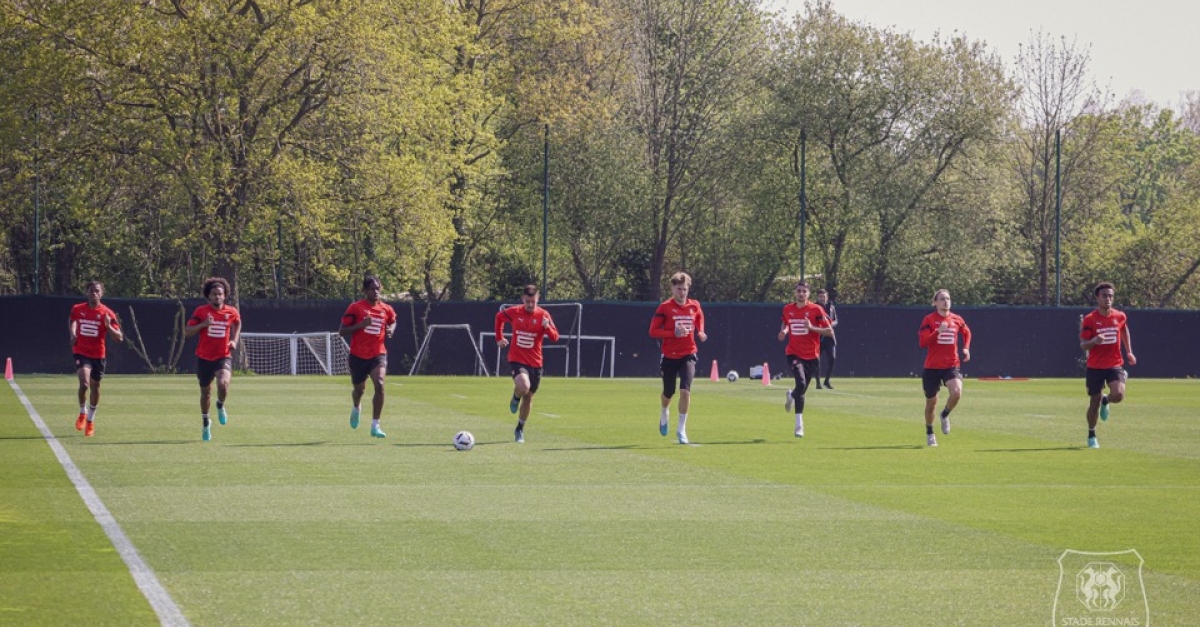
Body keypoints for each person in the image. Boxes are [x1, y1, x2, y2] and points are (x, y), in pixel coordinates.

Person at [495, 284, 559, 443]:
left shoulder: (544, 315)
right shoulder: (515, 312)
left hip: (536, 362)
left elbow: (555, 337)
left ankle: (519, 429)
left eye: (533, 302)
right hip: (517, 359)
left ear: (538, 299)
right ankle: (516, 396)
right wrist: (499, 338)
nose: (530, 305)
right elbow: (499, 318)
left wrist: (547, 328)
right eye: (527, 301)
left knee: (529, 398)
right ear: (523, 299)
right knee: (523, 386)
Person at [649, 272, 707, 444]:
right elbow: (653, 331)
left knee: (685, 390)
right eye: (679, 289)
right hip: (669, 356)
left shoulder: (694, 305)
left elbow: (699, 317)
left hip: (688, 353)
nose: (682, 292)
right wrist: (673, 333)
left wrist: (700, 330)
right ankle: (664, 412)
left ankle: (681, 429)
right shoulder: (664, 308)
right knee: (668, 393)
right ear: (672, 289)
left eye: (685, 289)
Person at [183, 277, 241, 442]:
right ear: (208, 296)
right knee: (205, 393)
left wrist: (234, 340)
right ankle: (206, 421)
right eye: (214, 294)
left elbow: (237, 322)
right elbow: (187, 331)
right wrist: (203, 325)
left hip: (223, 356)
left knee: (223, 384)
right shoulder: (201, 312)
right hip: (204, 358)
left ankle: (221, 405)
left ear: (225, 295)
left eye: (220, 294)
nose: (218, 297)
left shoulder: (231, 312)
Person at [1079, 282, 1136, 449]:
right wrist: (1094, 341)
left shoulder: (1119, 316)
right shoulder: (1090, 319)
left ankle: (1107, 400)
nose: (1108, 299)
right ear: (1097, 298)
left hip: (1114, 363)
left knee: (1118, 395)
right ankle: (1091, 434)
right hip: (1095, 366)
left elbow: (1124, 329)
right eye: (1104, 295)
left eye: (1110, 295)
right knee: (1094, 401)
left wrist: (1129, 351)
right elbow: (1083, 345)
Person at [339, 275, 397, 439]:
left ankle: (375, 425)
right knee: (359, 390)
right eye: (372, 289)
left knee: (379, 384)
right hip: (358, 356)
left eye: (378, 288)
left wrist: (391, 329)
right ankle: (356, 407)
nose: (376, 291)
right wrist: (361, 326)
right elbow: (342, 331)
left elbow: (392, 321)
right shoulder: (355, 308)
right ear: (365, 291)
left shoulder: (386, 309)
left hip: (378, 354)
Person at [68, 281, 124, 437]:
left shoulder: (107, 313)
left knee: (95, 387)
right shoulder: (78, 309)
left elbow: (119, 338)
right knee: (84, 384)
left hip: (98, 355)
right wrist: (73, 334)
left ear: (102, 293)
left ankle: (91, 421)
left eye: (97, 291)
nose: (94, 293)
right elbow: (73, 320)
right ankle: (82, 413)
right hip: (81, 351)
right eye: (91, 290)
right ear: (87, 292)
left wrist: (109, 326)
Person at [917, 289, 971, 447]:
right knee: (931, 402)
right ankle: (929, 432)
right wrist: (937, 332)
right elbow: (922, 342)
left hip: (951, 365)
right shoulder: (929, 319)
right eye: (941, 299)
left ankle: (945, 414)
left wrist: (966, 348)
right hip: (932, 367)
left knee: (957, 392)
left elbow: (967, 332)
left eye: (948, 298)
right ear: (935, 303)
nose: (945, 301)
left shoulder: (956, 318)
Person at [778, 281, 833, 437]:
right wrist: (784, 331)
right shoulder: (788, 309)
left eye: (804, 291)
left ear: (809, 294)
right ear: (795, 293)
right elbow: (786, 323)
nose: (801, 293)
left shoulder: (816, 310)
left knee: (801, 390)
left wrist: (811, 328)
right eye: (798, 291)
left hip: (812, 356)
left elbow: (829, 331)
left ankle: (791, 396)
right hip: (794, 353)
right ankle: (799, 426)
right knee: (800, 383)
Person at [815, 288, 839, 389]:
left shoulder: (831, 307)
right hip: (818, 338)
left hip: (829, 337)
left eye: (824, 297)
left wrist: (831, 324)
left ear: (827, 297)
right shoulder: (814, 307)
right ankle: (818, 382)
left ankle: (827, 381)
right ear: (817, 297)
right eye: (820, 297)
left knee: (832, 359)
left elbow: (836, 320)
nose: (822, 298)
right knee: (816, 361)